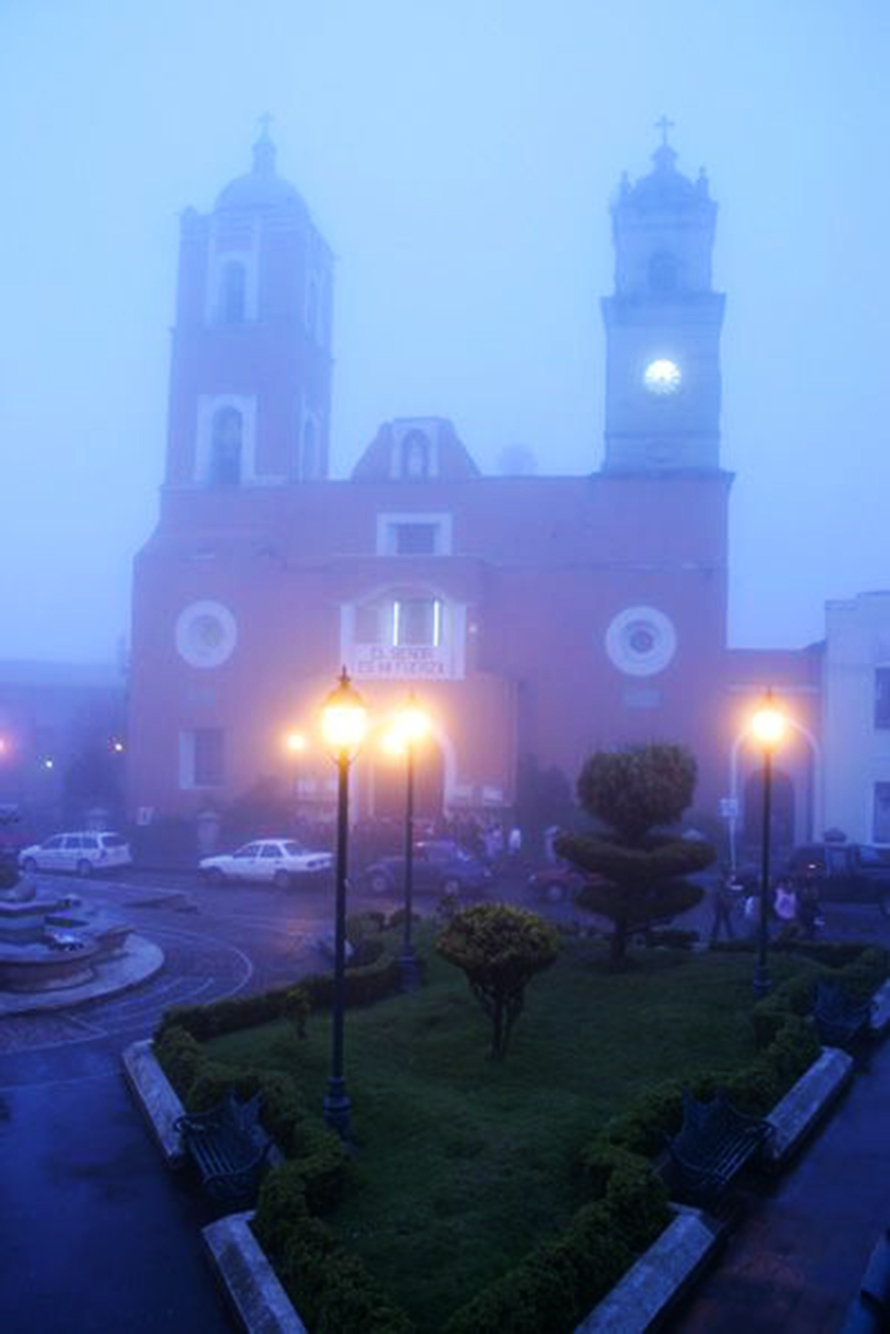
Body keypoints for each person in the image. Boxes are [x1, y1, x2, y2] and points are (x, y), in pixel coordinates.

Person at [709, 870, 737, 945]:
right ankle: (729, 935)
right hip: (721, 905)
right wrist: (728, 903)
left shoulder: (722, 883)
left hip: (721, 905)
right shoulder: (722, 884)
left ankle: (715, 935)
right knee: (722, 921)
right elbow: (722, 895)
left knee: (721, 921)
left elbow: (722, 894)